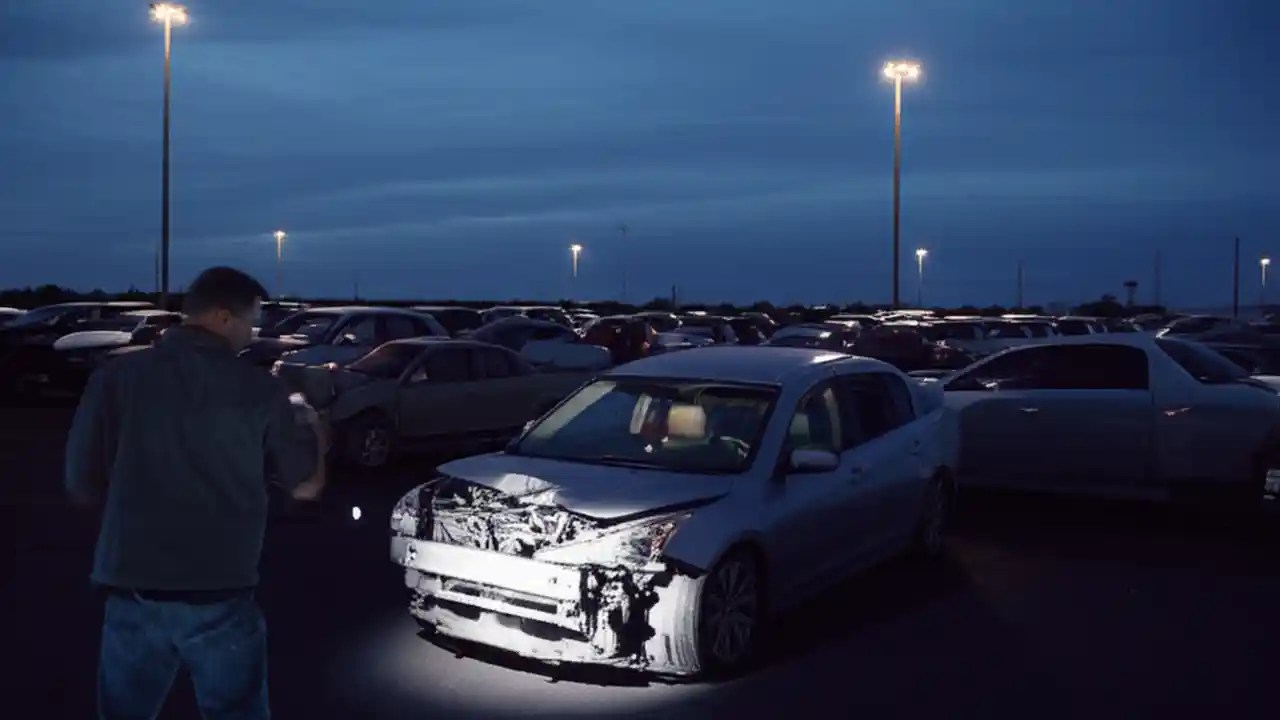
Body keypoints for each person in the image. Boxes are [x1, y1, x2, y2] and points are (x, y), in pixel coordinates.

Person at [65, 266, 328, 720]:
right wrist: (319, 440)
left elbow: (80, 483)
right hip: (219, 590)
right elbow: (305, 485)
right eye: (252, 321)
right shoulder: (259, 389)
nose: (253, 333)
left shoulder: (115, 378)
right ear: (224, 317)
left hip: (131, 585)